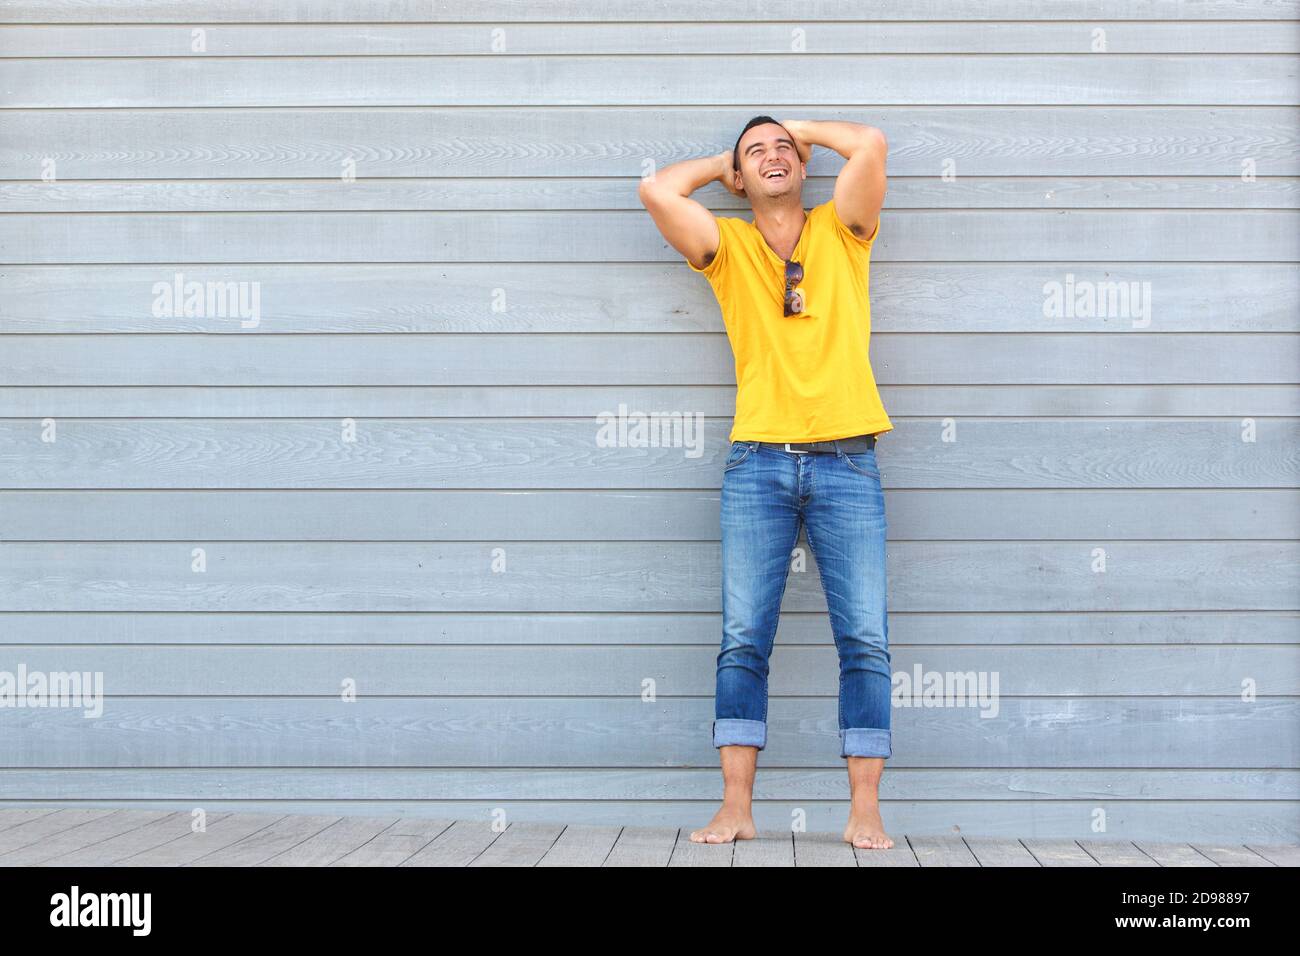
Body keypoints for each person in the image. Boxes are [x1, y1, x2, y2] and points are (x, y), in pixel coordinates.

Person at [637, 116, 895, 849]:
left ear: (807, 165)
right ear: (740, 181)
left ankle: (865, 808)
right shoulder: (730, 248)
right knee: (744, 638)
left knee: (865, 640)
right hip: (759, 462)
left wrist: (799, 128)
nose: (774, 155)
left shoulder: (844, 228)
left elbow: (871, 145)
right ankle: (737, 806)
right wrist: (724, 158)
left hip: (849, 458)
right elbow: (655, 189)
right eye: (758, 152)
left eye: (785, 149)